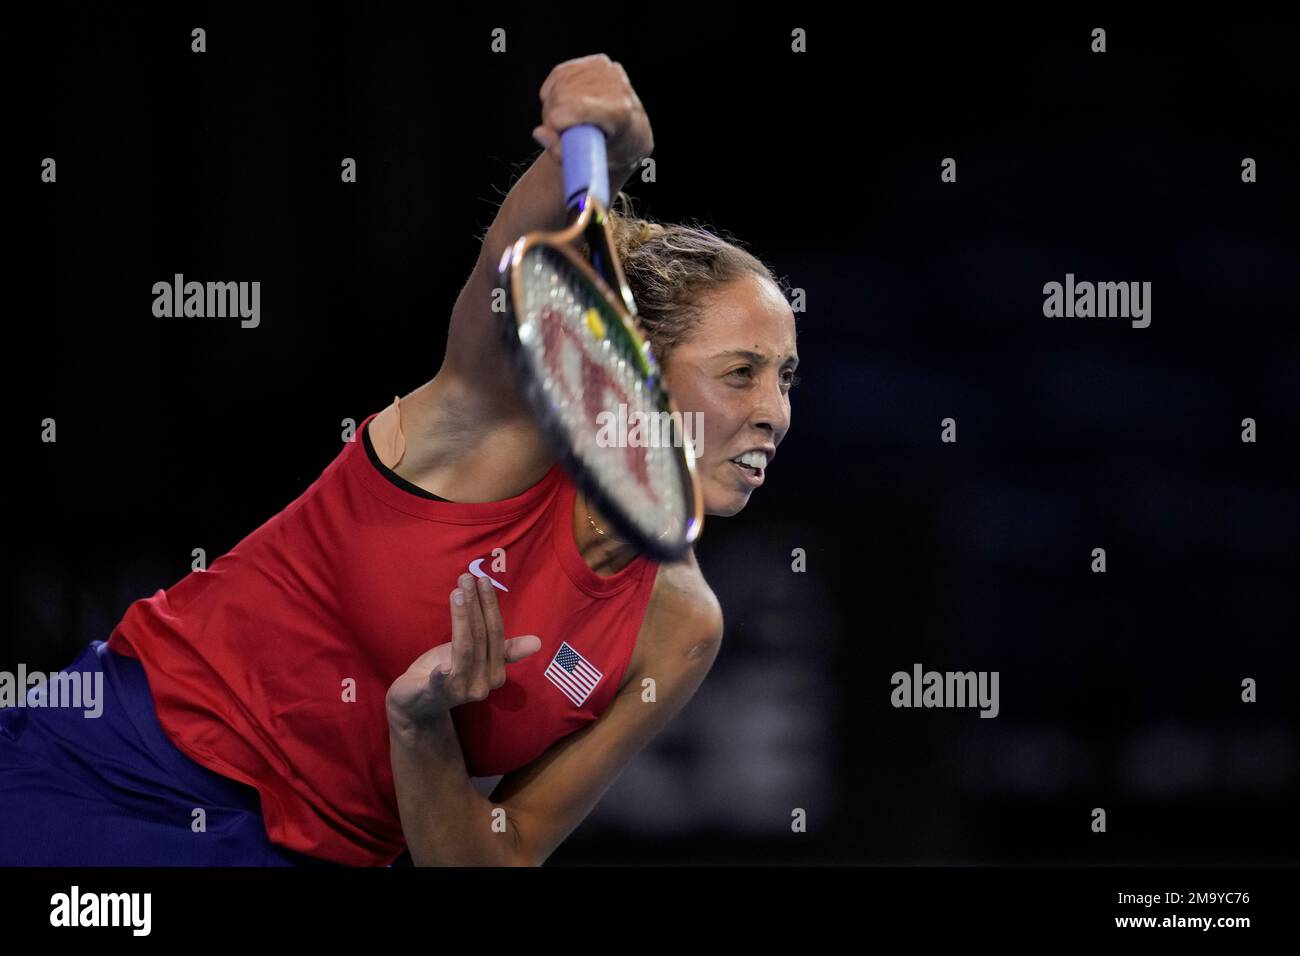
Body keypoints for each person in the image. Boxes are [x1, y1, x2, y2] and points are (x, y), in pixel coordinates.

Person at [0, 53, 799, 867]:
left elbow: (497, 856)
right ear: (634, 368)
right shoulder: (495, 426)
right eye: (741, 372)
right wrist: (603, 148)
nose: (775, 412)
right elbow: (510, 264)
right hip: (113, 772)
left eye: (785, 379)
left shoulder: (680, 628)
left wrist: (421, 730)